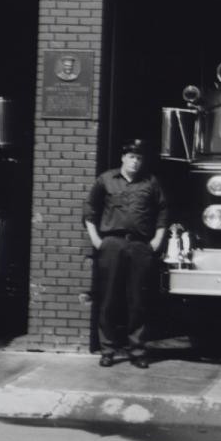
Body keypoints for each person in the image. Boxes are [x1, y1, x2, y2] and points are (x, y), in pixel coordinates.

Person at [84, 140, 168, 368]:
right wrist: (97, 240)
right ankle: (108, 350)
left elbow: (162, 211)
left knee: (137, 300)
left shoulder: (150, 182)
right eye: (131, 157)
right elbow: (90, 210)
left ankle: (137, 350)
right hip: (112, 244)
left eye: (139, 158)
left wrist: (157, 240)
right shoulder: (106, 180)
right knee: (109, 298)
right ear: (123, 158)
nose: (135, 161)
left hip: (140, 246)